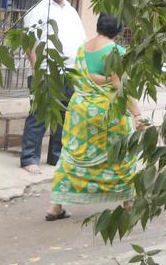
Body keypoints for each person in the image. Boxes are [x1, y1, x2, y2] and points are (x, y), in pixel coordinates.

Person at [45, 14, 145, 221]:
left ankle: (55, 206)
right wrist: (136, 113)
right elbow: (118, 86)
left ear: (98, 25)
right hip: (106, 113)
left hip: (80, 111)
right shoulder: (116, 52)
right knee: (121, 155)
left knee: (72, 155)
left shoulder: (83, 47)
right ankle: (128, 202)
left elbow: (86, 77)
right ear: (118, 30)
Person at [21, 0, 88, 174]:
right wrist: (37, 70)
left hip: (70, 72)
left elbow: (81, 41)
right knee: (39, 115)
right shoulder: (39, 9)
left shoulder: (71, 10)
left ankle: (56, 157)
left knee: (64, 116)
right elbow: (29, 42)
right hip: (45, 72)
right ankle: (29, 158)